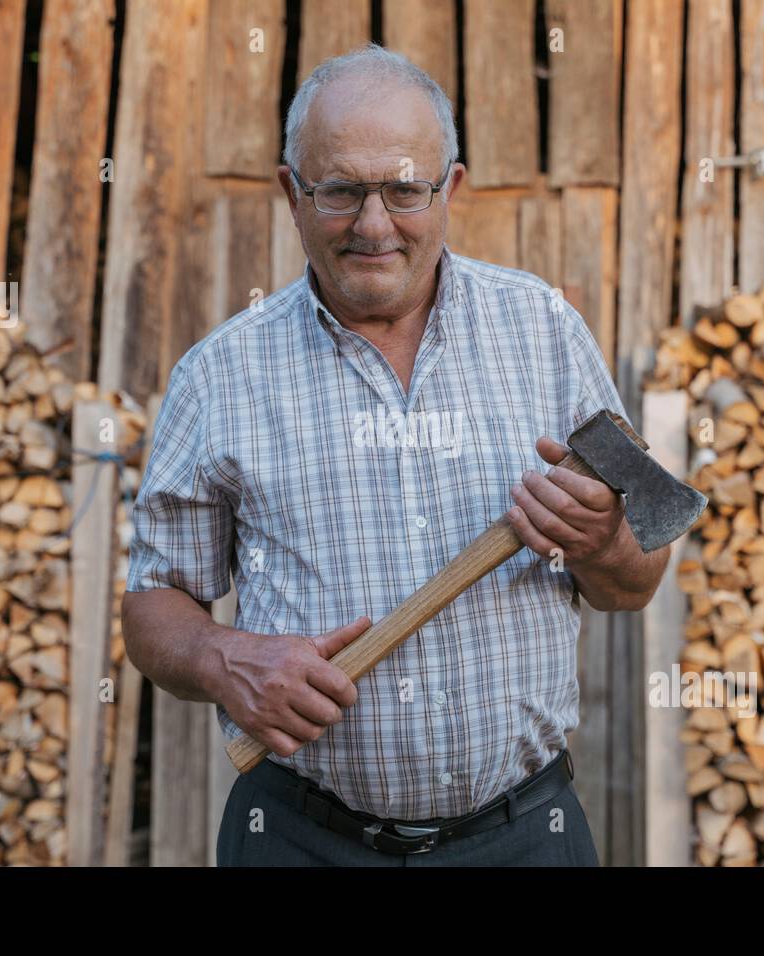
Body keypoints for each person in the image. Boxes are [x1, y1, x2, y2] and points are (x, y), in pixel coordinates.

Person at [122, 43, 670, 866]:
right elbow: (152, 602)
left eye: (405, 188)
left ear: (449, 187)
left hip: (523, 837)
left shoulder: (544, 332)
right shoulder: (220, 376)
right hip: (301, 839)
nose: (374, 225)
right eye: (341, 190)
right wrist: (219, 653)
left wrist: (604, 545)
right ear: (291, 194)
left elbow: (635, 583)